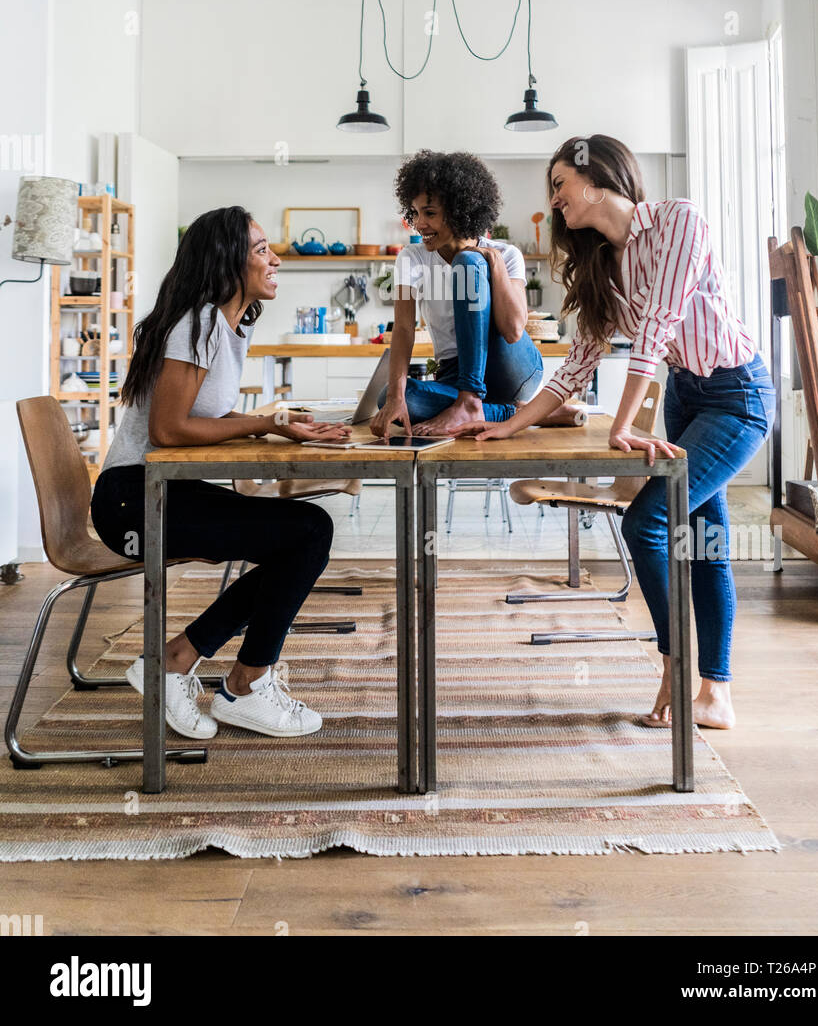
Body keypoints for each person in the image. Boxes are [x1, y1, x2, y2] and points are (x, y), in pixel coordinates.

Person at [471, 135, 775, 731]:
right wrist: (510, 426)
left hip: (737, 395)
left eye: (559, 185)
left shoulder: (678, 222)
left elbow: (658, 325)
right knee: (702, 542)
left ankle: (676, 663)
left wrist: (623, 427)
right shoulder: (600, 263)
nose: (554, 199)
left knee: (647, 521)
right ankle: (715, 693)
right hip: (689, 396)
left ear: (595, 178)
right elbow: (576, 366)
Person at [90, 206, 351, 742]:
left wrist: (279, 425)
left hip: (162, 492)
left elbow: (201, 419)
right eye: (261, 250)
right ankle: (239, 686)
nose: (275, 259)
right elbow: (168, 430)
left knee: (305, 533)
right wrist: (265, 422)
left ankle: (192, 665)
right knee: (307, 532)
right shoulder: (199, 321)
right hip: (133, 503)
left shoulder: (224, 326)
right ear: (228, 261)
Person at [371, 150, 574, 439]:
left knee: (468, 261)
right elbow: (404, 328)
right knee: (397, 399)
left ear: (458, 212)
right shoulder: (411, 257)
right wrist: (395, 397)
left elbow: (514, 330)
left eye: (429, 213)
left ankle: (470, 401)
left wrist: (495, 267)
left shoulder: (506, 254)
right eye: (415, 213)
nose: (419, 224)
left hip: (510, 366)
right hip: (453, 371)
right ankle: (519, 413)